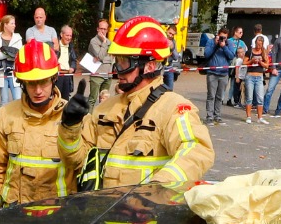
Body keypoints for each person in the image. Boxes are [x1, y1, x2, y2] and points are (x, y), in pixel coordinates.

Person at [58, 15, 214, 191]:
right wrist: (70, 127)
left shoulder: (173, 109)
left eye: (124, 63)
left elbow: (198, 151)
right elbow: (75, 161)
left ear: (150, 66)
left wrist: (157, 190)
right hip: (101, 213)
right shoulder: (105, 109)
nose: (118, 70)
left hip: (143, 215)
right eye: (117, 61)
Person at [0, 40, 69, 203]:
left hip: (58, 213)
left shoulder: (70, 116)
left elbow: (79, 166)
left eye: (43, 82)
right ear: (21, 82)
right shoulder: (5, 116)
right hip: (14, 213)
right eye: (31, 83)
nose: (38, 91)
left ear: (54, 78)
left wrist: (73, 127)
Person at [198, 27, 234, 126]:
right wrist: (215, 44)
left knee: (220, 97)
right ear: (218, 35)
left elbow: (231, 55)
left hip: (224, 74)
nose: (223, 39)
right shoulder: (211, 42)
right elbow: (206, 54)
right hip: (212, 73)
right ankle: (209, 117)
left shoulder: (229, 43)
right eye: (221, 37)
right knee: (211, 96)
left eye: (225, 37)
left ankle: (217, 116)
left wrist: (224, 46)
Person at [0, 15, 24, 104]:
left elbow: (18, 54)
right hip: (1, 72)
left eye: (14, 23)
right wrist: (10, 53)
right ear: (5, 25)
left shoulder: (18, 37)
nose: (14, 25)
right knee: (4, 101)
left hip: (14, 72)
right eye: (12, 23)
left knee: (17, 99)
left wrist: (3, 52)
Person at [84, 18, 113, 104]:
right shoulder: (93, 41)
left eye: (105, 29)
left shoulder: (110, 42)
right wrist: (104, 42)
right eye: (101, 28)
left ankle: (101, 116)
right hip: (97, 74)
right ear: (97, 29)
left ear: (107, 30)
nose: (103, 31)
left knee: (105, 100)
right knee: (93, 99)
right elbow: (100, 56)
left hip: (108, 74)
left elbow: (112, 58)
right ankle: (88, 117)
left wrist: (103, 57)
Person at [244, 31, 270, 124]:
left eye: (261, 44)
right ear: (255, 43)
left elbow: (267, 65)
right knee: (249, 97)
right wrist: (251, 61)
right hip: (250, 76)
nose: (259, 46)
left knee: (260, 98)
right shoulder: (250, 51)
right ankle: (248, 117)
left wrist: (260, 62)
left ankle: (260, 117)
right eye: (258, 44)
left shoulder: (264, 52)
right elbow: (244, 62)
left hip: (259, 77)